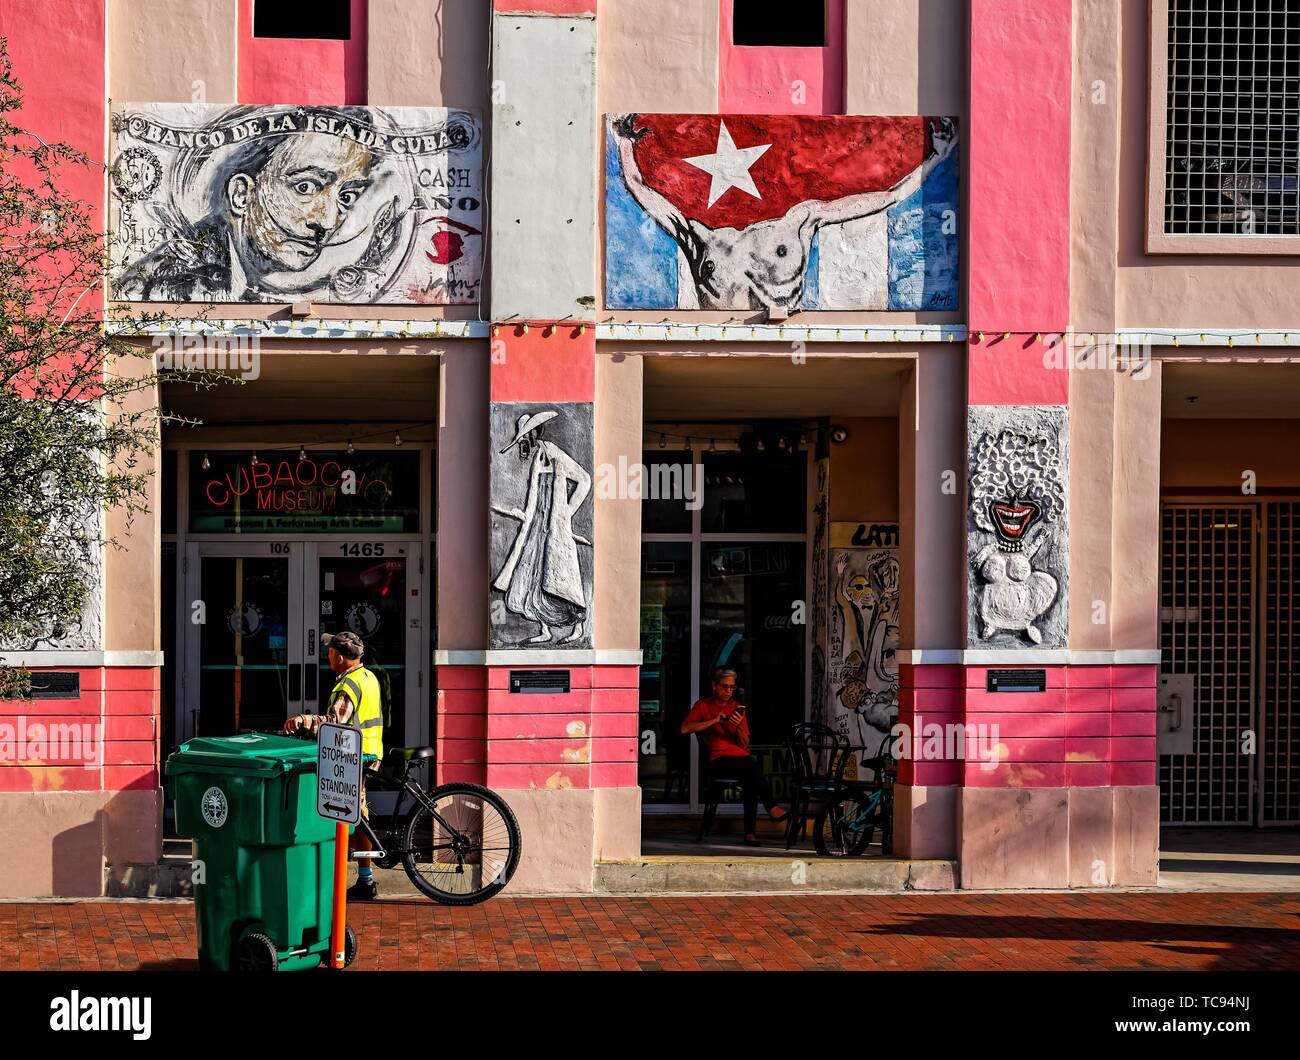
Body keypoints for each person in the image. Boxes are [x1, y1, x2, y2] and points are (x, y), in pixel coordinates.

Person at [611, 113, 957, 312]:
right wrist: (625, 145)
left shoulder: (801, 219)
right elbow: (639, 189)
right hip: (712, 347)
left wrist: (936, 158)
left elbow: (886, 197)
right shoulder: (698, 235)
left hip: (794, 345)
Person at [282, 630, 385, 901]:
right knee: (357, 813)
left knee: (346, 813)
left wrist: (304, 721)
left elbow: (335, 722)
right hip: (368, 752)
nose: (327, 654)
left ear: (339, 657)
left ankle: (356, 880)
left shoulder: (349, 685)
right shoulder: (368, 677)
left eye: (329, 651)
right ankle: (363, 879)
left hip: (354, 757)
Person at [492, 409, 593, 645]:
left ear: (534, 435)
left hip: (556, 527)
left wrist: (566, 513)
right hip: (538, 524)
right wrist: (527, 515)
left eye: (525, 439)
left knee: (563, 575)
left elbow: (584, 479)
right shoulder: (537, 458)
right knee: (533, 574)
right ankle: (544, 628)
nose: (522, 445)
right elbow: (533, 495)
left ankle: (577, 626)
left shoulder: (555, 454)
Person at [680, 667, 788, 846]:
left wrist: (738, 726)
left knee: (751, 776)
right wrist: (714, 721)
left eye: (731, 687)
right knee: (752, 768)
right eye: (724, 687)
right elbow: (685, 729)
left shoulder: (737, 708)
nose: (728, 691)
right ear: (714, 686)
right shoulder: (703, 705)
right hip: (718, 760)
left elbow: (744, 744)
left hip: (740, 759)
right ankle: (768, 811)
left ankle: (751, 833)